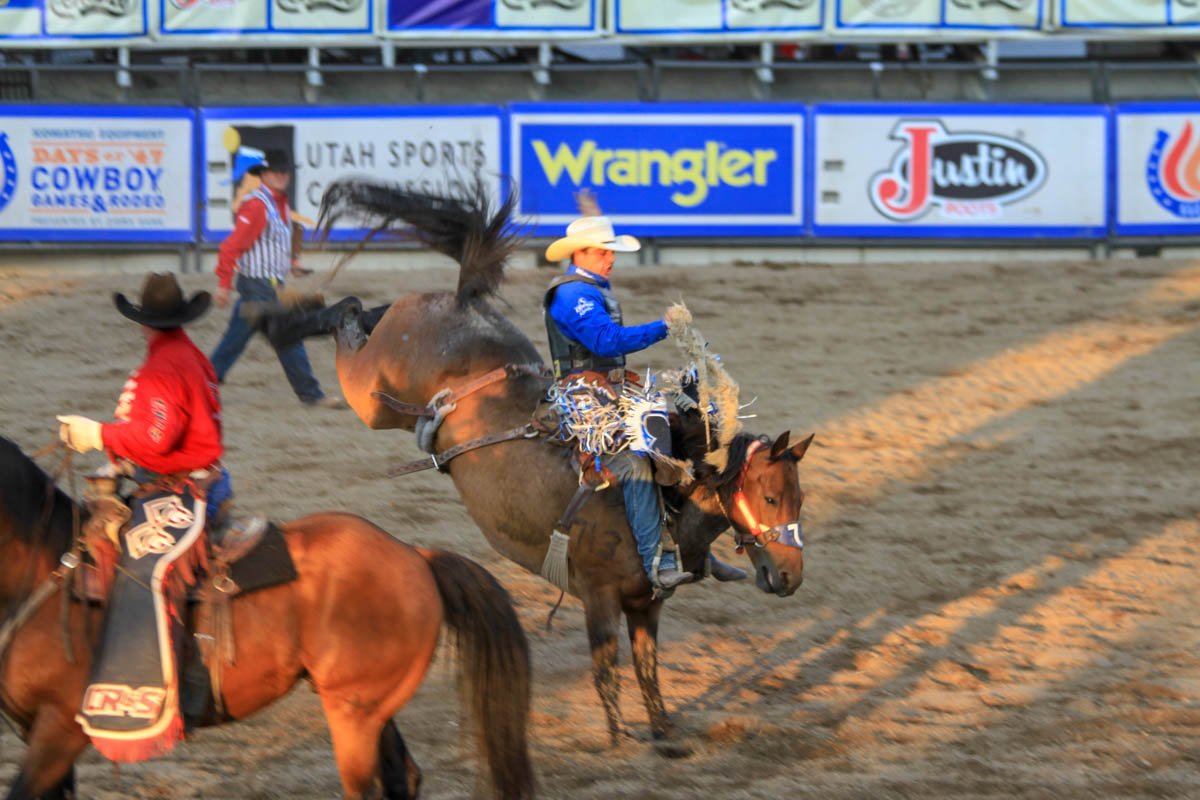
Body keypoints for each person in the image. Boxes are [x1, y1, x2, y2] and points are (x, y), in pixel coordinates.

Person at [55, 272, 230, 760]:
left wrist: (99, 436)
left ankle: (173, 689)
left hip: (185, 487)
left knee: (142, 571)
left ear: (142, 321)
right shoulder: (185, 354)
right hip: (199, 476)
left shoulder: (163, 367)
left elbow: (154, 439)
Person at [543, 216, 750, 591]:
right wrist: (662, 327)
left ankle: (695, 548)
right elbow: (606, 342)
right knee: (636, 465)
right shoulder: (574, 295)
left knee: (678, 439)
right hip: (585, 400)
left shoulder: (587, 290)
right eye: (605, 252)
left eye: (611, 252)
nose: (611, 259)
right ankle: (658, 559)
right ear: (581, 253)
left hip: (608, 393)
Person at [209, 148, 342, 408]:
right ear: (264, 175)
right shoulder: (258, 206)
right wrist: (223, 285)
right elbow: (230, 248)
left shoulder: (276, 204)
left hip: (265, 287)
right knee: (288, 337)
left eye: (283, 172)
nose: (280, 176)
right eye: (274, 172)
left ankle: (203, 385)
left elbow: (271, 243)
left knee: (235, 342)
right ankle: (311, 395)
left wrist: (292, 263)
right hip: (259, 287)